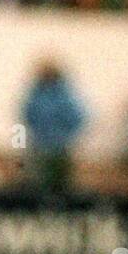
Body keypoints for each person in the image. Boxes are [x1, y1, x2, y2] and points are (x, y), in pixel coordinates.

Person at [20, 59, 89, 194]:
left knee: (59, 183)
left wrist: (65, 136)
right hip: (38, 145)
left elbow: (77, 118)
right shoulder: (35, 93)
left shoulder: (64, 95)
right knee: (36, 181)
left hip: (60, 147)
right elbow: (27, 115)